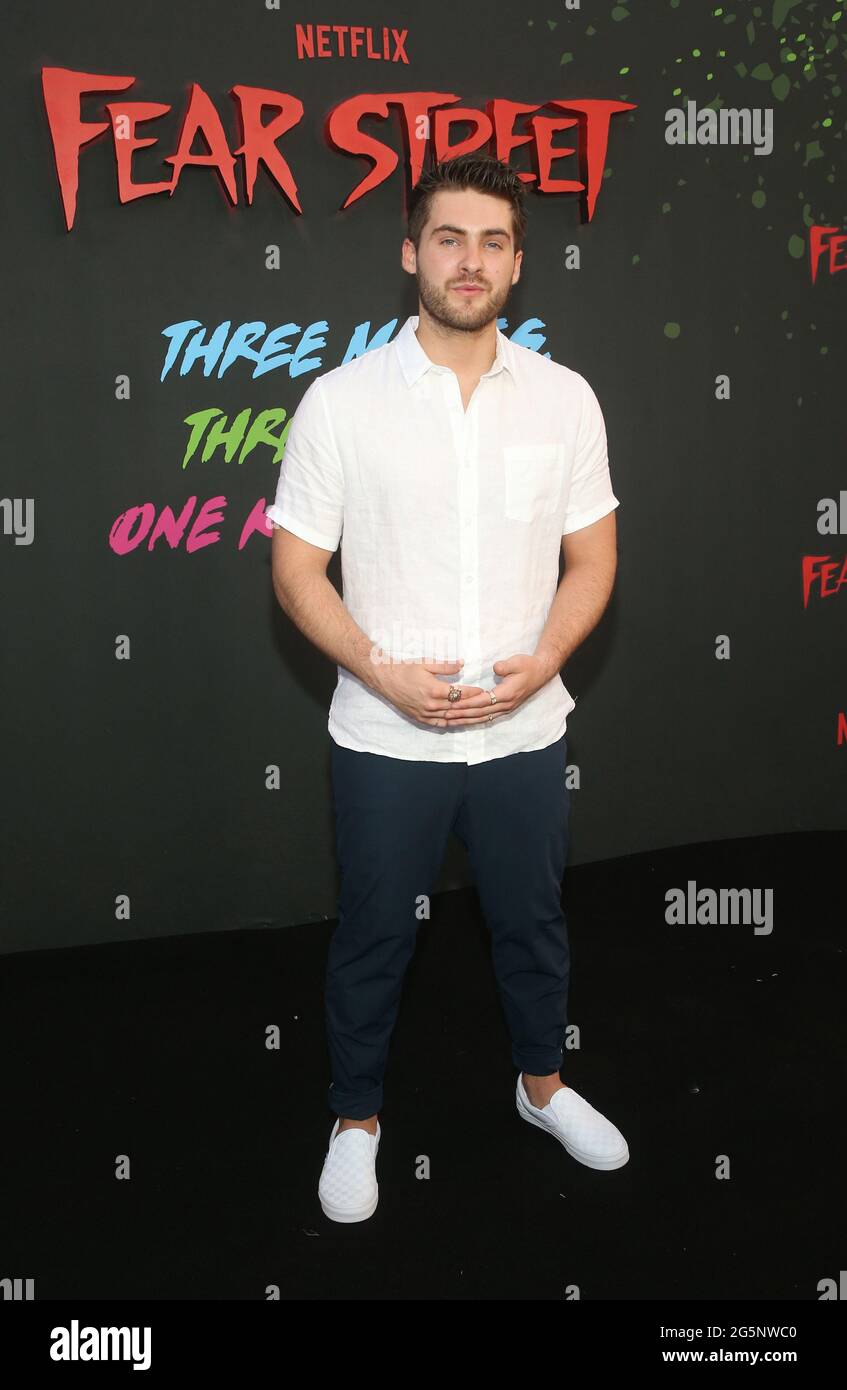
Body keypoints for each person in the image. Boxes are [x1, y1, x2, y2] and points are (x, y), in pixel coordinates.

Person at [266, 153, 629, 1224]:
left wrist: (547, 659)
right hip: (385, 735)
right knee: (375, 933)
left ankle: (541, 1087)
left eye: (493, 242)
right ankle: (357, 1118)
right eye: (449, 238)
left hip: (525, 733)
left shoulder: (564, 401)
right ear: (410, 253)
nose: (470, 261)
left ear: (517, 265)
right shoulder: (341, 404)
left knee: (534, 924)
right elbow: (293, 571)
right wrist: (382, 670)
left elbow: (595, 560)